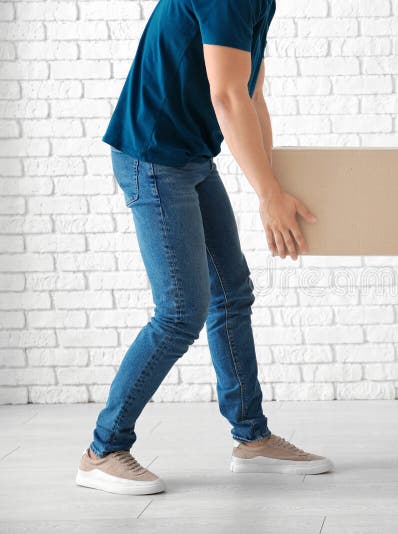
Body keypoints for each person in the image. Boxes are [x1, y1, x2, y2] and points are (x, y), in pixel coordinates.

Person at [76, 0, 333, 496]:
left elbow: (251, 90)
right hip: (152, 157)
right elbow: (227, 96)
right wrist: (267, 196)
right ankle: (102, 450)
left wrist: (274, 187)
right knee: (179, 313)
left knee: (232, 294)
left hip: (189, 156)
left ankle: (252, 439)